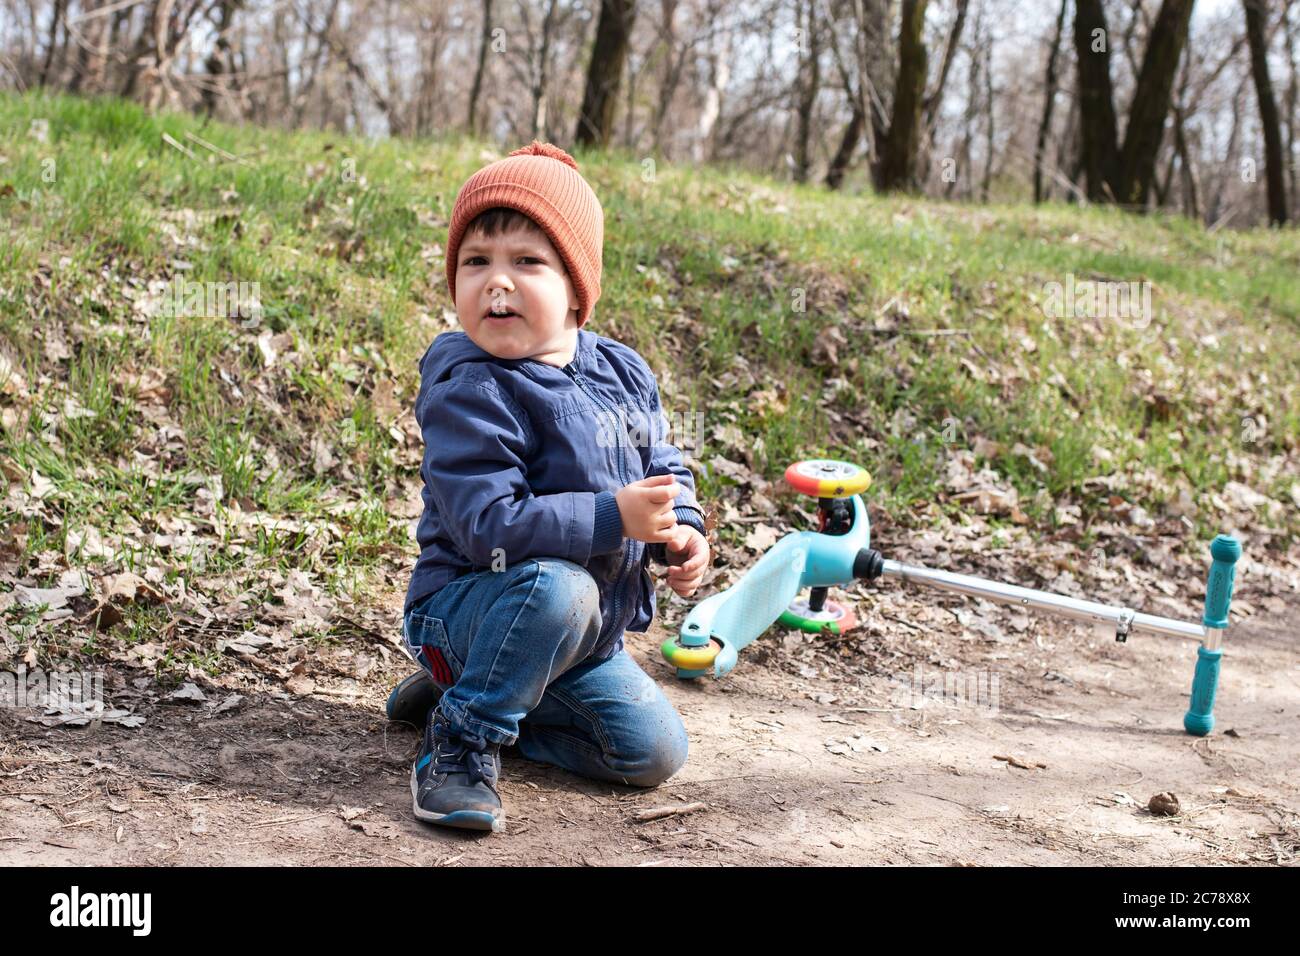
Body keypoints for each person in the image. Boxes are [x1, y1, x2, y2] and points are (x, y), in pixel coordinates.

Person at [398, 141, 710, 833]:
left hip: (582, 639)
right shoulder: (470, 388)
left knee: (651, 753)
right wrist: (611, 517)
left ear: (576, 287)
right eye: (475, 261)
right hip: (469, 607)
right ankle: (461, 740)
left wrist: (680, 527)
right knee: (557, 587)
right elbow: (488, 527)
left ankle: (479, 690)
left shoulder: (621, 372)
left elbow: (663, 461)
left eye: (526, 262)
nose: (497, 282)